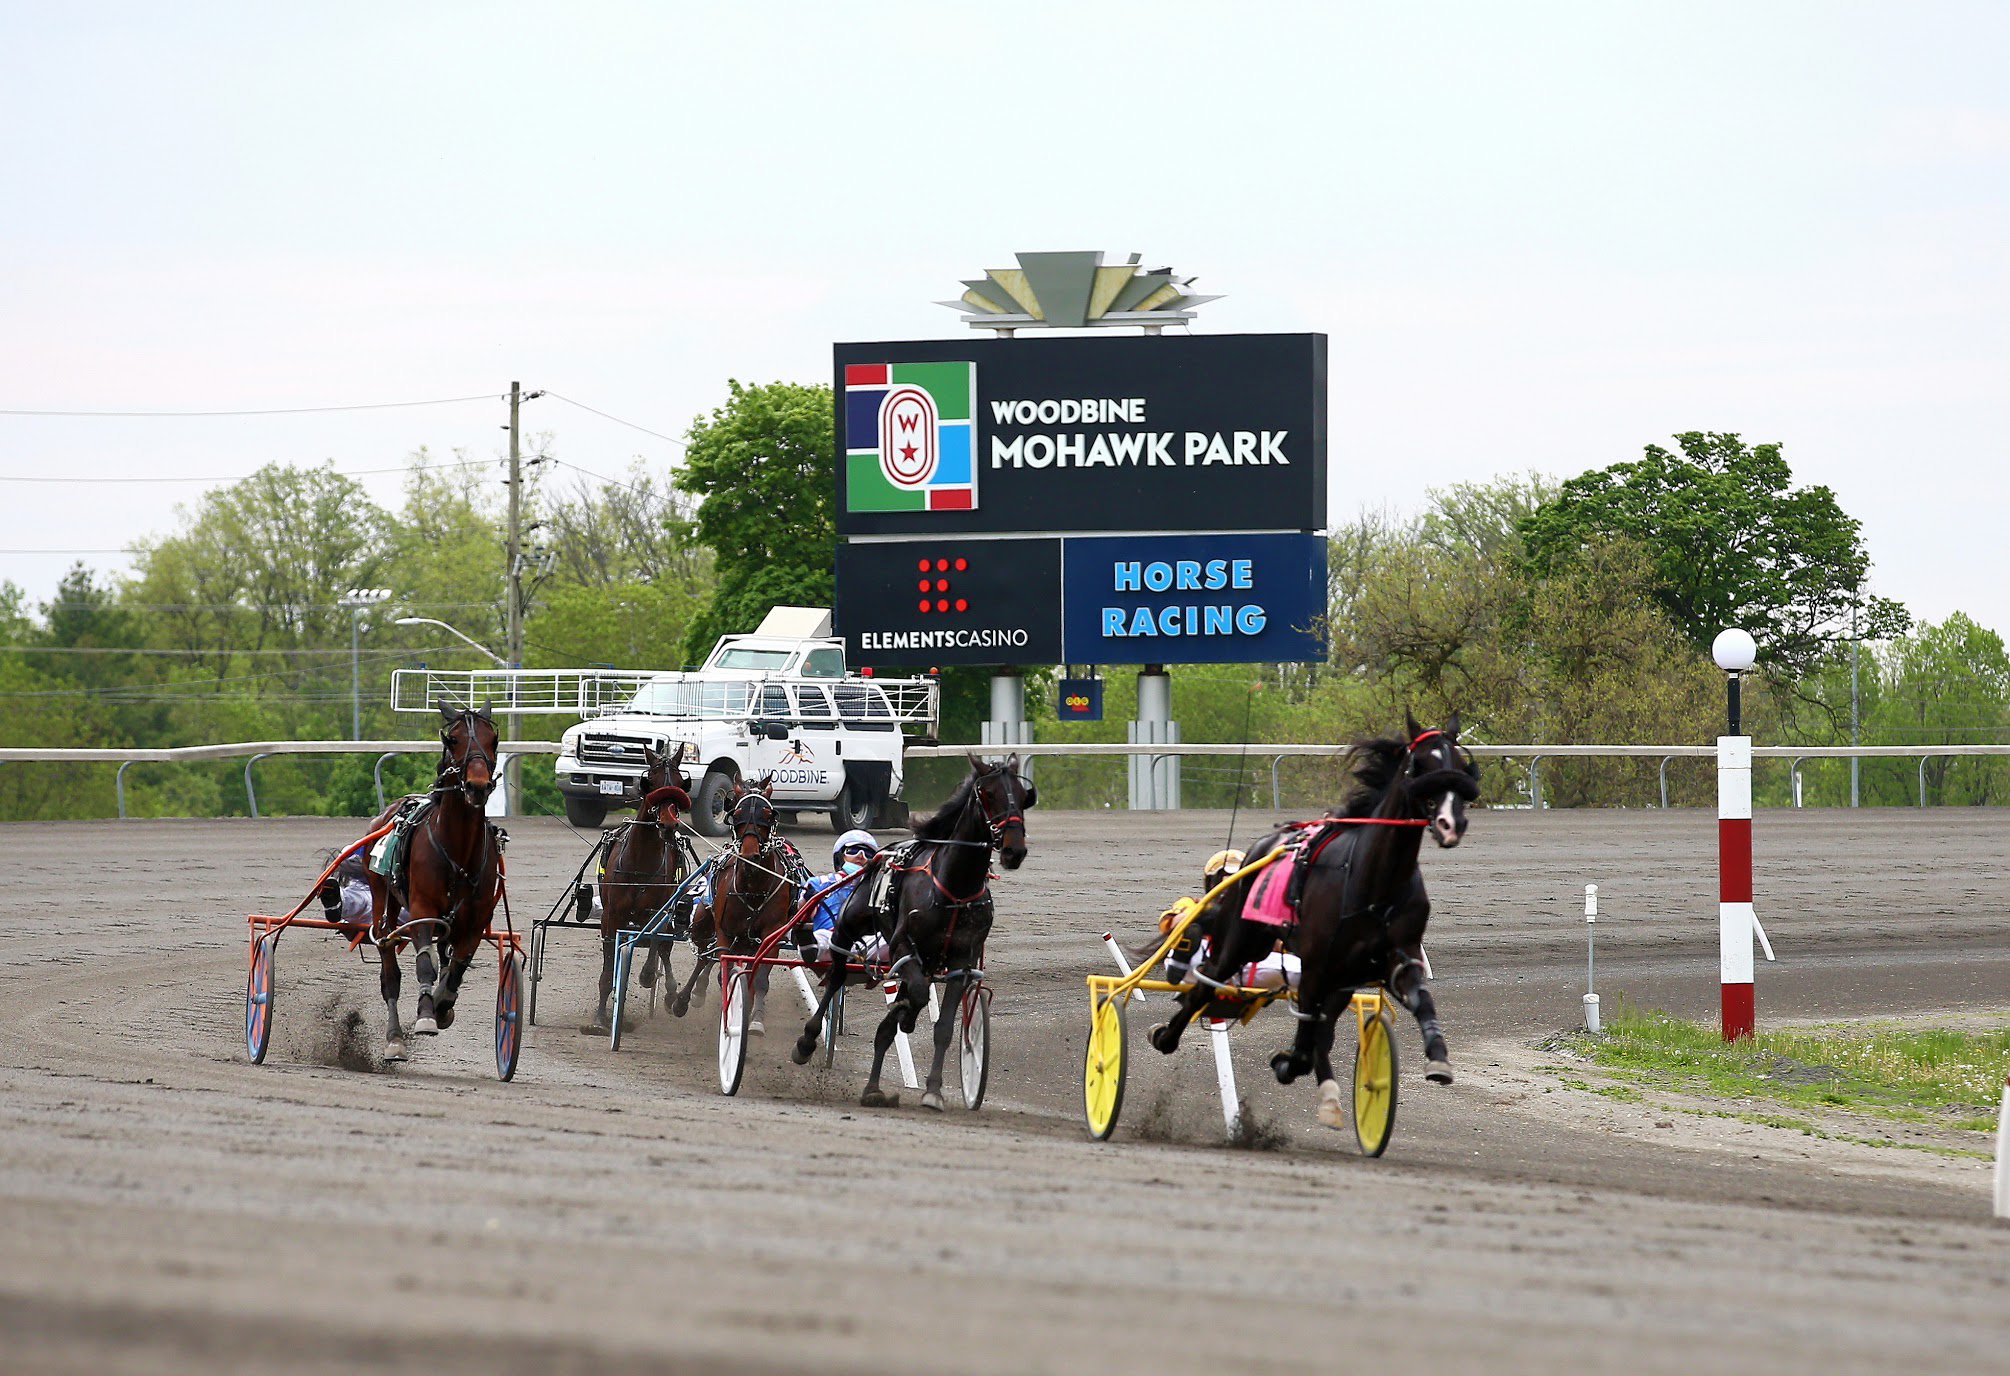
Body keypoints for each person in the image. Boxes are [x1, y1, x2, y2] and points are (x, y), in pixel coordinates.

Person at [793, 828, 879, 964]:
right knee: (820, 938)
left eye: (867, 853)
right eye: (853, 850)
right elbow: (803, 914)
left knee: (889, 941)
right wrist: (808, 900)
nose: (860, 856)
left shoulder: (879, 887)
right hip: (829, 938)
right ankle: (809, 946)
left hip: (866, 942)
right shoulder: (818, 883)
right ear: (841, 856)